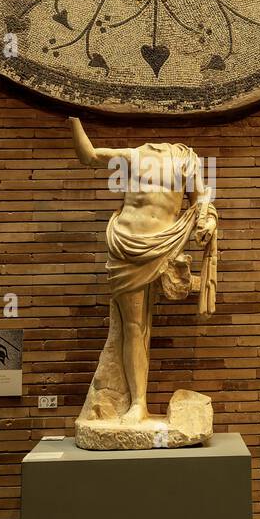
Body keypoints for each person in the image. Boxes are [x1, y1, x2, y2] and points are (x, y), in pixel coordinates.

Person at [70, 117, 216, 425]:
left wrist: (208, 219)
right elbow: (90, 155)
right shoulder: (133, 156)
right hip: (125, 243)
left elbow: (202, 198)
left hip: (164, 243)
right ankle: (138, 403)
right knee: (132, 327)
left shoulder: (185, 158)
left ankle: (189, 279)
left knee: (157, 304)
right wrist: (74, 121)